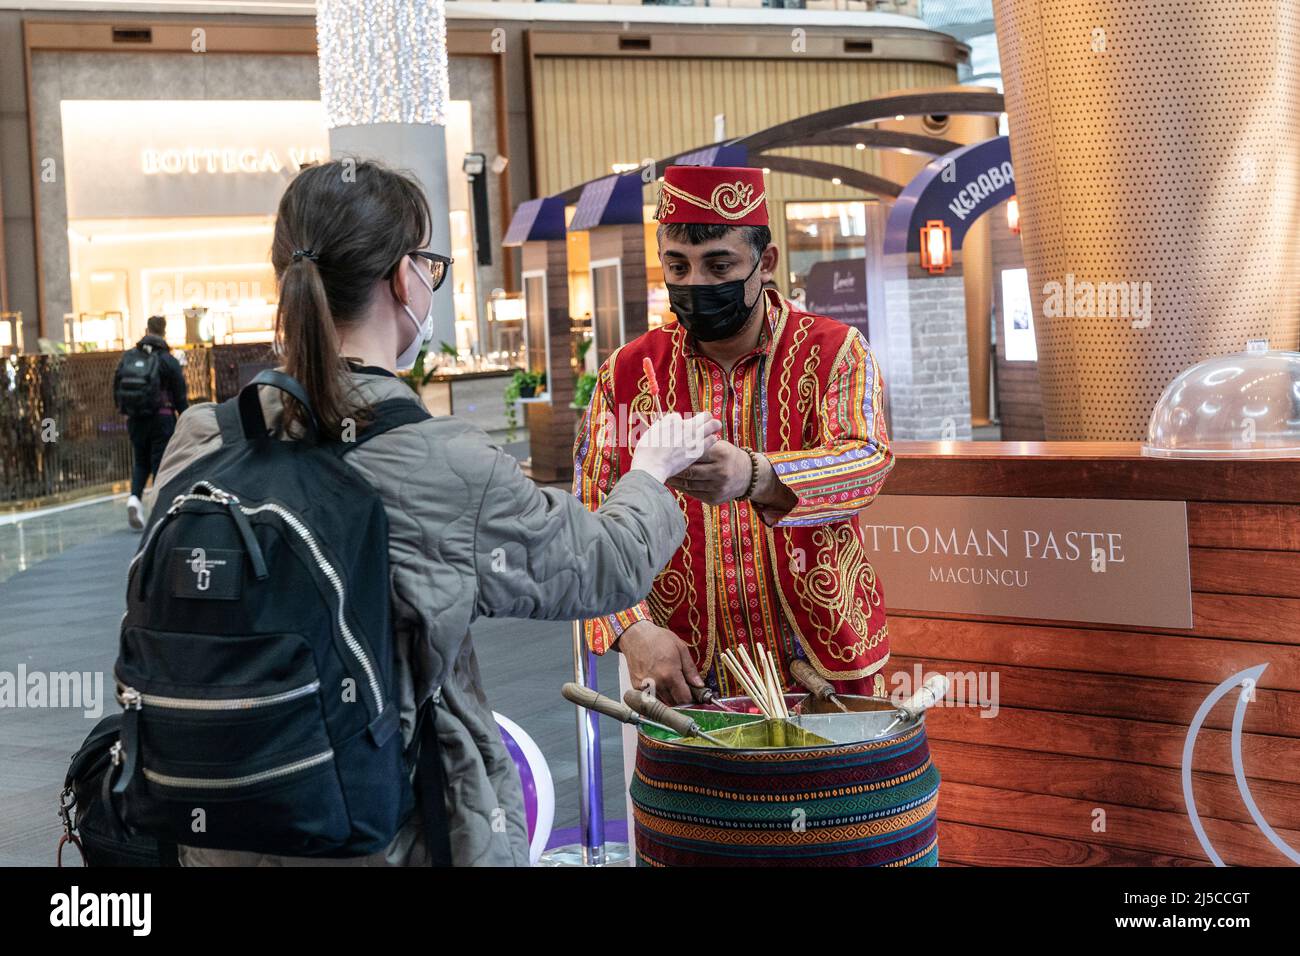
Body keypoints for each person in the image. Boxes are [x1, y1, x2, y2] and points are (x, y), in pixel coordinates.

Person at [149, 159, 720, 866]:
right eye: (430, 263)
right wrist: (649, 471)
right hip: (388, 825)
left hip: (218, 830)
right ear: (402, 278)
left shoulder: (202, 439)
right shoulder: (437, 461)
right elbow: (605, 565)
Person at [574, 164, 895, 706]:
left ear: (765, 263)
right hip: (684, 666)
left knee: (837, 792)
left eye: (719, 264)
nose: (696, 284)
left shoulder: (834, 349)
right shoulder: (629, 373)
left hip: (823, 658)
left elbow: (868, 461)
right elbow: (587, 518)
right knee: (684, 795)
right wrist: (631, 630)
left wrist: (758, 475)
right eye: (678, 266)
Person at [113, 315, 188, 529]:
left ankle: (134, 499)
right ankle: (158, 510)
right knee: (160, 463)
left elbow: (117, 384)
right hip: (162, 419)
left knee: (140, 461)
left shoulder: (130, 356)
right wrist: (185, 417)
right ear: (164, 332)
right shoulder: (168, 360)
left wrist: (124, 410)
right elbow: (180, 395)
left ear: (146, 330)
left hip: (136, 418)